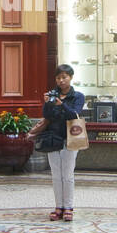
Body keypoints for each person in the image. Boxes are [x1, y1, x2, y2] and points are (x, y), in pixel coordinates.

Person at [29, 64, 85, 221]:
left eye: (64, 77)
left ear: (71, 78)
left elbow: (75, 114)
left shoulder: (78, 96)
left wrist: (62, 104)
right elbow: (47, 115)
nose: (61, 81)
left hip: (70, 138)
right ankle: (58, 206)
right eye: (59, 78)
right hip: (52, 138)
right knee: (55, 175)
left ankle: (69, 207)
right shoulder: (53, 95)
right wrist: (47, 102)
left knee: (67, 174)